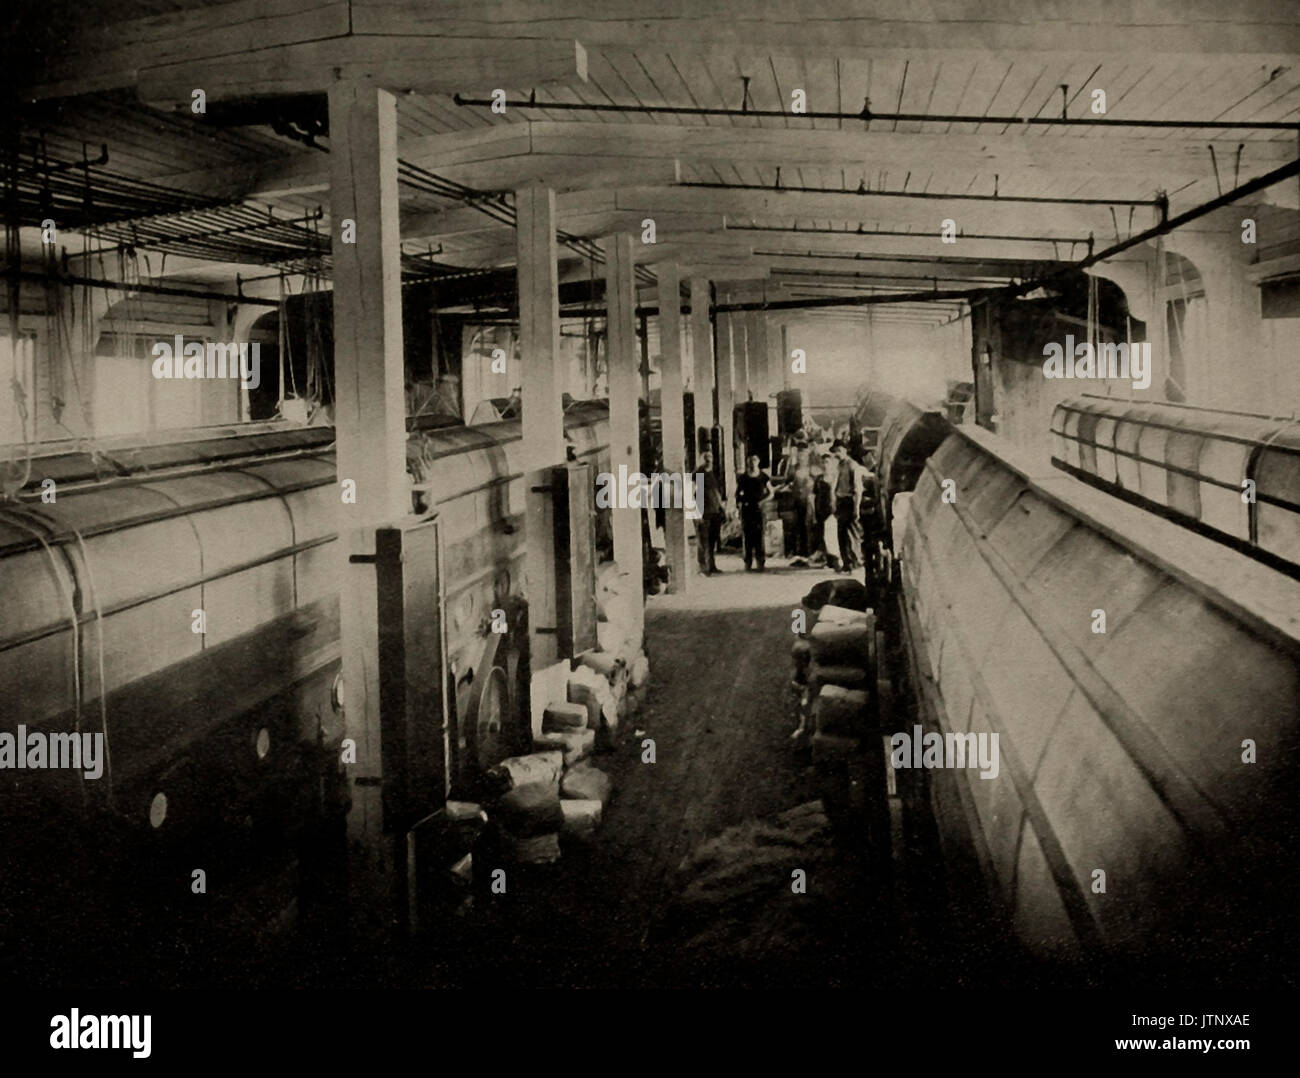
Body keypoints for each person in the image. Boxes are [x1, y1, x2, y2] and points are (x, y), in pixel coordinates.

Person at [734, 454, 772, 571]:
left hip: (759, 510)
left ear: (758, 461)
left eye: (755, 460)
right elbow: (737, 494)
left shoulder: (763, 477)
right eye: (750, 461)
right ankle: (748, 562)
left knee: (759, 535)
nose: (752, 463)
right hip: (747, 510)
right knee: (747, 536)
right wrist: (738, 506)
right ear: (747, 463)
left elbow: (771, 493)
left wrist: (763, 501)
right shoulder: (743, 477)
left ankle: (760, 562)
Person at [832, 440, 865, 572]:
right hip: (841, 501)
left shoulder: (853, 466)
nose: (837, 454)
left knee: (851, 533)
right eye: (835, 451)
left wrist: (856, 507)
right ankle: (847, 562)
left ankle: (854, 561)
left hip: (849, 501)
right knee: (841, 534)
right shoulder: (840, 465)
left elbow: (858, 488)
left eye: (839, 451)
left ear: (845, 450)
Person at [696, 449, 726, 575]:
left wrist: (722, 508)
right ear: (702, 460)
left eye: (710, 457)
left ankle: (712, 565)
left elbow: (716, 493)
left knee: (712, 540)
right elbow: (691, 495)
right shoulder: (698, 474)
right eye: (706, 458)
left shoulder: (712, 474)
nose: (709, 460)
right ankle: (703, 568)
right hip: (704, 513)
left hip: (714, 512)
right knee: (704, 541)